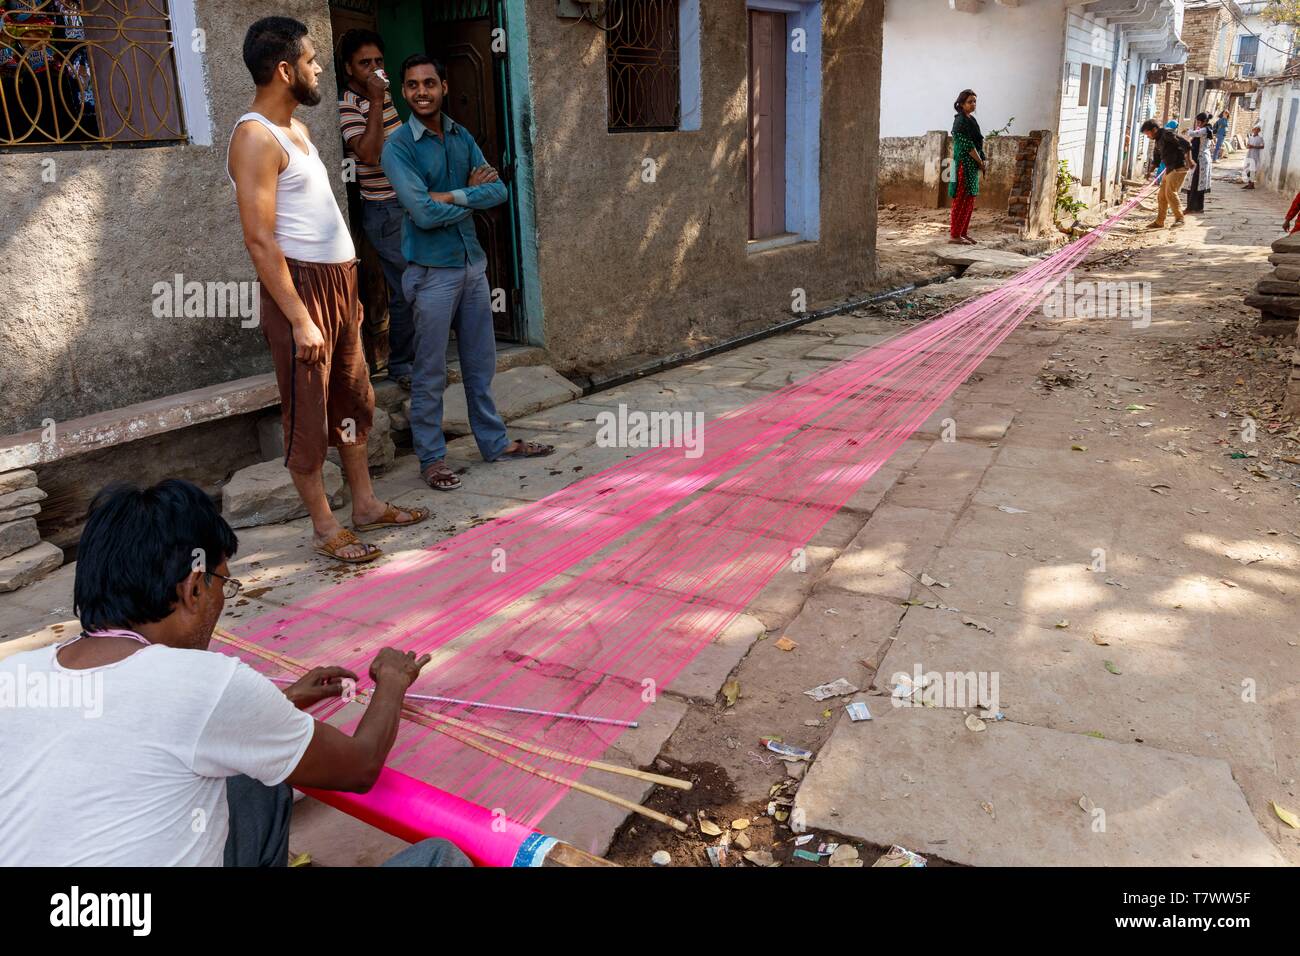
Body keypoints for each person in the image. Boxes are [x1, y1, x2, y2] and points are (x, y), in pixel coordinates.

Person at [0, 480, 470, 867]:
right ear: (193, 588)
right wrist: (391, 679)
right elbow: (360, 767)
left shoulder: (15, 677)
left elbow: (137, 735)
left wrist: (279, 704)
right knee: (441, 860)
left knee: (248, 777)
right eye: (225, 581)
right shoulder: (202, 683)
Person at [227, 17, 427, 563]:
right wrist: (299, 316)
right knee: (308, 414)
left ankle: (365, 505)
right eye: (313, 61)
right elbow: (260, 239)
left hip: (338, 285)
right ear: (286, 69)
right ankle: (324, 527)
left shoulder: (301, 131)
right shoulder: (253, 136)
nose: (320, 70)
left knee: (353, 399)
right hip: (302, 292)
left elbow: (321, 218)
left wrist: (351, 290)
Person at [382, 54, 554, 492]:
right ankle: (433, 459)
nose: (422, 92)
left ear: (442, 86)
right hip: (431, 273)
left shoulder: (460, 135)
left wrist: (451, 195)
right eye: (413, 85)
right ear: (403, 92)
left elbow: (497, 190)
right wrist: (467, 196)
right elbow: (420, 212)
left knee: (481, 365)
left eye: (429, 83)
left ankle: (494, 443)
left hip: (471, 264)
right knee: (430, 372)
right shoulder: (398, 146)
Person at [337, 28, 415, 390]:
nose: (374, 69)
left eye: (379, 62)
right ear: (349, 68)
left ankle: (416, 359)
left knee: (420, 284)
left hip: (409, 202)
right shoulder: (349, 104)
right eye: (364, 63)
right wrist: (374, 99)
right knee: (406, 288)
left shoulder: (383, 97)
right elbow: (368, 153)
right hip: (383, 209)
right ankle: (401, 363)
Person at [948, 89, 985, 246]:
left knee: (970, 199)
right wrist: (980, 162)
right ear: (961, 104)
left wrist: (982, 160)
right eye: (970, 101)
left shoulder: (972, 120)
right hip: (963, 164)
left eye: (974, 101)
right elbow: (967, 145)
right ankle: (955, 235)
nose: (973, 104)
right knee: (961, 199)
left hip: (972, 165)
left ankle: (963, 232)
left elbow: (978, 143)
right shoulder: (960, 121)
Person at [1142, 118, 1194, 229]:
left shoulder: (1167, 134)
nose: (1147, 136)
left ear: (1154, 129)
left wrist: (1189, 160)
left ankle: (1180, 219)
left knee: (1170, 193)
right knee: (1161, 196)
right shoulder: (1157, 141)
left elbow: (1186, 143)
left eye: (1148, 133)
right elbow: (1156, 160)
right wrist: (1149, 172)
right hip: (1170, 169)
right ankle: (1160, 222)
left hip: (1178, 167)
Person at [1184, 112, 1214, 215]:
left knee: (1195, 184)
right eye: (1197, 122)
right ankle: (1198, 207)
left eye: (1199, 122)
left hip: (1201, 160)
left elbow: (1193, 134)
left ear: (1204, 121)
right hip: (1201, 159)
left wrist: (1187, 130)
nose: (1198, 123)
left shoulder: (1205, 130)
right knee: (1197, 183)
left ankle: (1192, 207)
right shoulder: (1204, 129)